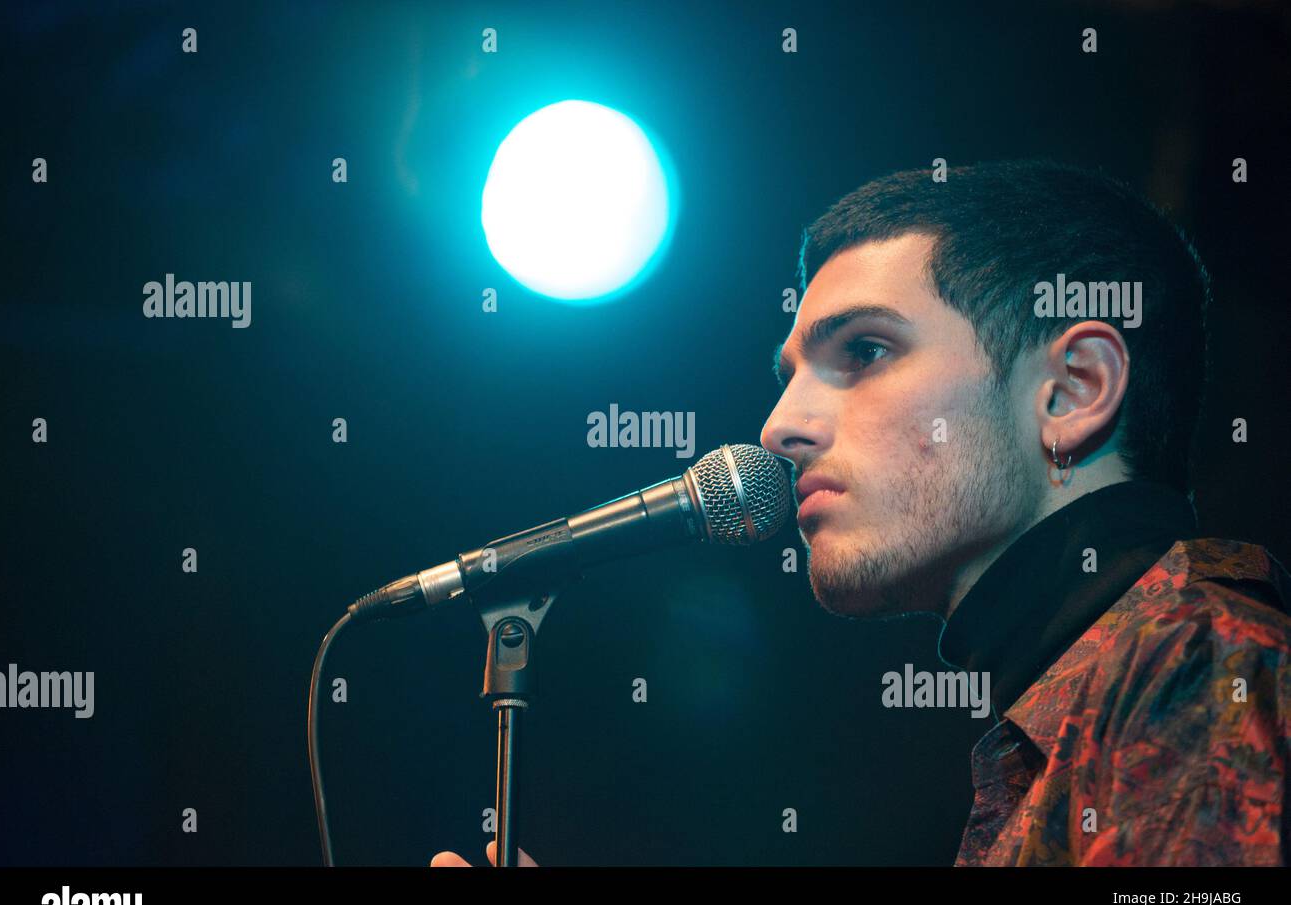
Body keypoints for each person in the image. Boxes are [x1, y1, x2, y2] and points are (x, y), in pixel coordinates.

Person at [432, 159, 1291, 867]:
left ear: (1072, 392)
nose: (779, 427)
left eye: (866, 350)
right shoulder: (1086, 695)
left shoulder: (1202, 664)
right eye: (790, 373)